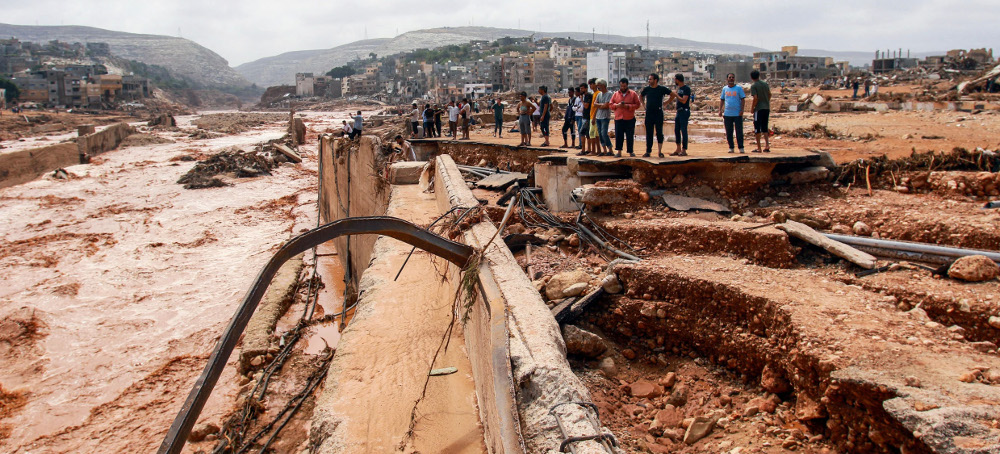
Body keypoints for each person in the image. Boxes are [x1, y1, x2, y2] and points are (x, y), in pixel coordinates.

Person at [640, 73, 671, 157]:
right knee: (649, 133)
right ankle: (648, 151)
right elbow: (641, 96)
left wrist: (666, 102)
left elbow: (672, 94)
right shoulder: (647, 89)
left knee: (659, 132)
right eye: (649, 79)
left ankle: (660, 151)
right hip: (649, 113)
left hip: (658, 113)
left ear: (655, 80)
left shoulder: (661, 89)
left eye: (650, 79)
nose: (649, 81)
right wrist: (643, 105)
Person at [610, 77, 640, 157]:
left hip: (629, 118)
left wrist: (628, 106)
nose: (623, 88)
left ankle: (630, 151)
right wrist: (617, 105)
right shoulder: (615, 94)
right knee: (619, 136)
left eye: (624, 86)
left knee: (629, 136)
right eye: (621, 86)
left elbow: (637, 105)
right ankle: (619, 152)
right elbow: (611, 105)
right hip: (619, 118)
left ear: (627, 85)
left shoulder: (633, 94)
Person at [719, 73, 746, 154]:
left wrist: (742, 110)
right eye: (730, 77)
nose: (731, 78)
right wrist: (720, 110)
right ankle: (731, 147)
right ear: (727, 79)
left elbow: (743, 99)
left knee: (739, 132)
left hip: (737, 114)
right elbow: (722, 99)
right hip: (727, 114)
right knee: (729, 132)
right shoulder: (724, 89)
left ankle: (741, 147)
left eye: (732, 77)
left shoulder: (738, 88)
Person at [667, 73, 692, 156]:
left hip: (684, 111)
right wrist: (666, 102)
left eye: (675, 79)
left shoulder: (686, 89)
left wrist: (676, 95)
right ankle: (678, 149)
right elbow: (673, 97)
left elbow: (684, 100)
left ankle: (684, 150)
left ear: (677, 80)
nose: (674, 81)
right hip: (678, 111)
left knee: (683, 130)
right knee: (677, 130)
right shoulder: (678, 88)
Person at [749, 70, 771, 153]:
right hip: (766, 107)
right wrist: (766, 101)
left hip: (758, 109)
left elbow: (755, 98)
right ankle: (767, 145)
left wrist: (752, 108)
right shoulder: (765, 84)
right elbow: (769, 94)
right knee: (765, 126)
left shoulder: (754, 86)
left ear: (751, 77)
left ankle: (759, 147)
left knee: (757, 127)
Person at [593, 79, 614, 156]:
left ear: (603, 85)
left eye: (599, 85)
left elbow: (606, 106)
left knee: (604, 133)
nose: (598, 87)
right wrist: (601, 105)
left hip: (605, 116)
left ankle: (610, 149)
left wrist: (599, 105)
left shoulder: (609, 94)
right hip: (598, 116)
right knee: (600, 134)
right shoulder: (599, 94)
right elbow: (595, 104)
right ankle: (604, 150)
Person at [573, 86, 587, 151]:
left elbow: (581, 108)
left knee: (580, 130)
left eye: (576, 92)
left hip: (581, 115)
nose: (575, 93)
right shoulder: (576, 99)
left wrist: (577, 108)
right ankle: (580, 143)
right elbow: (574, 107)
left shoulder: (583, 98)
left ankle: (581, 144)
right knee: (579, 130)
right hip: (577, 115)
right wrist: (577, 108)